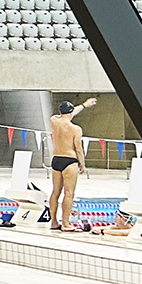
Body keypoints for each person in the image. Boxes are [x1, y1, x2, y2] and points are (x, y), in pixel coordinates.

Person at [46, 98, 95, 232]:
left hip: (56, 159)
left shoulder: (54, 121)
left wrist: (84, 105)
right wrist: (82, 164)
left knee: (55, 192)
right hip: (69, 160)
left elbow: (69, 114)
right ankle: (66, 223)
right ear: (71, 112)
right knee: (69, 193)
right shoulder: (76, 129)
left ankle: (54, 222)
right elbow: (78, 149)